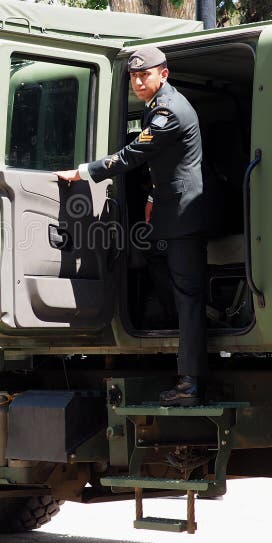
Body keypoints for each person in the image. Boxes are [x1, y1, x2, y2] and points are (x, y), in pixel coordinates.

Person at [55, 45, 208, 406]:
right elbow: (169, 164)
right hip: (172, 211)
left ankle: (190, 383)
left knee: (189, 298)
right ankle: (174, 343)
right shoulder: (158, 104)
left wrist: (83, 172)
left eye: (145, 75)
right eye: (134, 76)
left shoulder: (168, 110)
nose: (138, 81)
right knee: (153, 266)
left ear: (163, 74)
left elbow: (134, 154)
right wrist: (153, 199)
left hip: (184, 217)